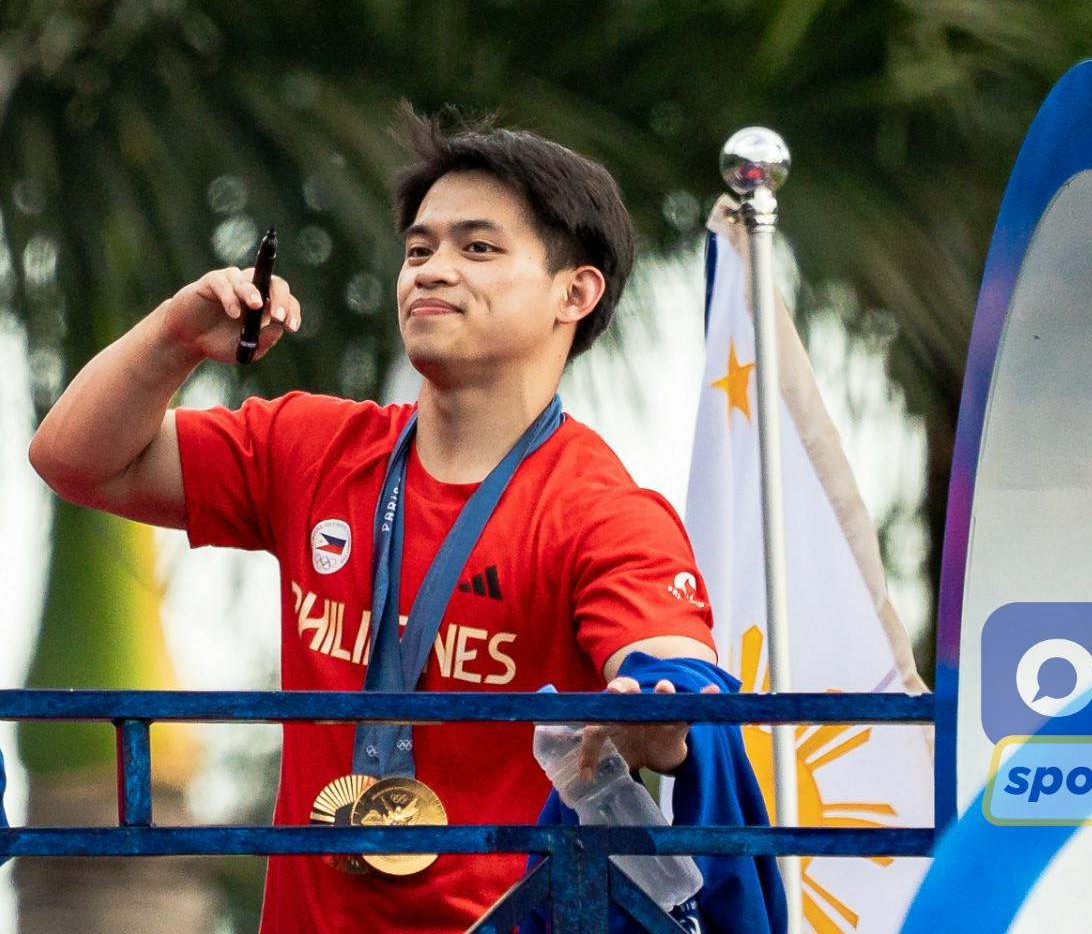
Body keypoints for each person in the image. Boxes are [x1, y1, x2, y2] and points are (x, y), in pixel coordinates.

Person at [29, 109, 721, 931]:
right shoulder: (312, 447)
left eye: (478, 248)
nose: (431, 270)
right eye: (419, 249)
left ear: (576, 291)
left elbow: (675, 673)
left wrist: (657, 708)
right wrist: (177, 334)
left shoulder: (602, 511)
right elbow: (73, 459)